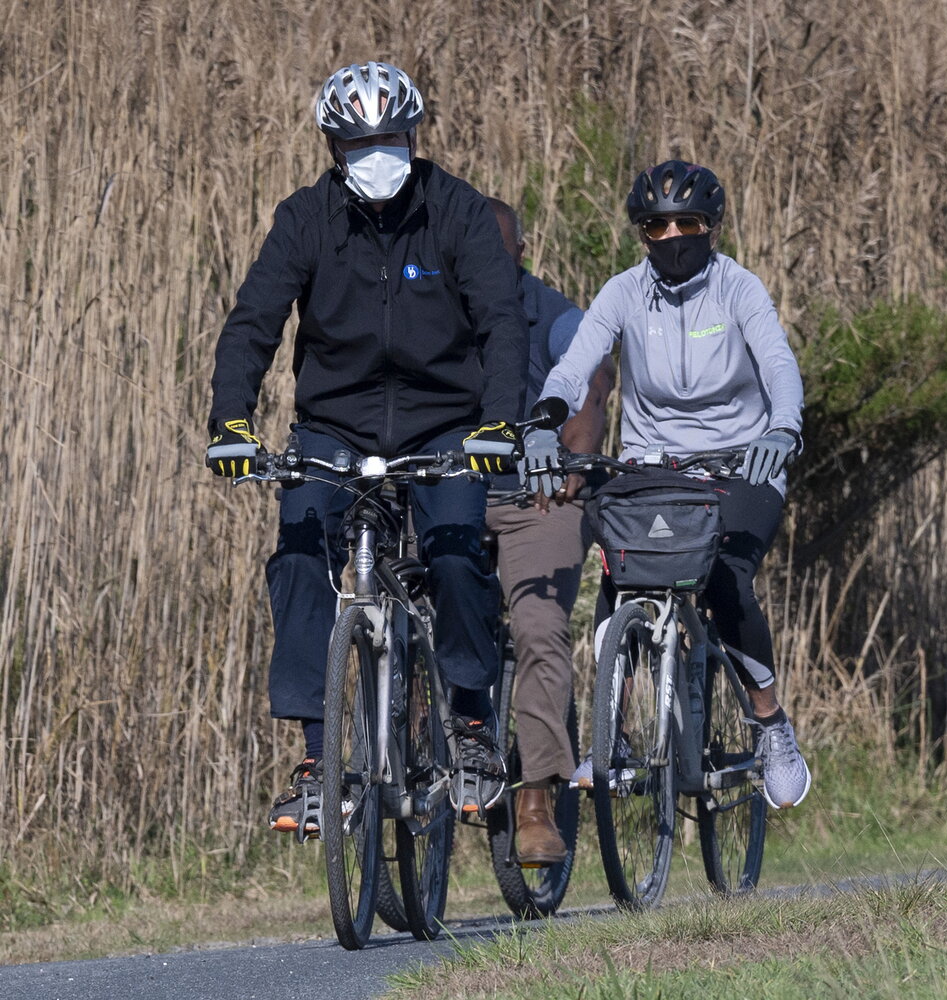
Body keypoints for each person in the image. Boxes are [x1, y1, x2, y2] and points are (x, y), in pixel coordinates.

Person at [206, 62, 528, 833]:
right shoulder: (306, 217)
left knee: (454, 555)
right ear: (332, 145)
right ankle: (320, 758)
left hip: (445, 423)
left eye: (388, 138)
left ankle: (475, 728)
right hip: (335, 427)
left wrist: (498, 422)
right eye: (358, 142)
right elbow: (254, 321)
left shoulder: (455, 210)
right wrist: (230, 422)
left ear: (412, 138)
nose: (375, 153)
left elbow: (502, 323)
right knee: (295, 550)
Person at [537, 159, 811, 809]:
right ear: (641, 233)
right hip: (652, 463)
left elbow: (778, 362)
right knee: (621, 569)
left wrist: (783, 427)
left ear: (711, 227)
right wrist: (547, 419)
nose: (672, 237)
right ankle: (615, 733)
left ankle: (771, 725)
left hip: (743, 462)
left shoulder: (738, 289)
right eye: (656, 226)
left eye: (687, 223)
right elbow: (577, 364)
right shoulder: (623, 293)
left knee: (726, 579)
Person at [485, 199, 616, 865]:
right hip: (451, 494)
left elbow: (594, 374)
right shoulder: (432, 315)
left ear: (521, 258)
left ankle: (536, 796)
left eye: (498, 259)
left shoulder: (550, 312)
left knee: (537, 628)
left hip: (537, 496)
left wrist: (578, 449)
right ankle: (419, 760)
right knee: (409, 606)